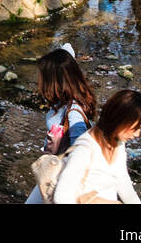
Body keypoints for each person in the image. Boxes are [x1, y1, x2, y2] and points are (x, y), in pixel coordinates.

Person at [53, 89, 141, 204]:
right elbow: (62, 195)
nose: (137, 134)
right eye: (135, 128)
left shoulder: (118, 144)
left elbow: (123, 183)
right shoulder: (85, 148)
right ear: (119, 119)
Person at [25, 45, 96, 203]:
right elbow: (67, 55)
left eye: (42, 76)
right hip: (54, 171)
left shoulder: (74, 112)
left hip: (60, 176)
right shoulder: (62, 104)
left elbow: (82, 149)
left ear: (54, 81)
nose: (38, 80)